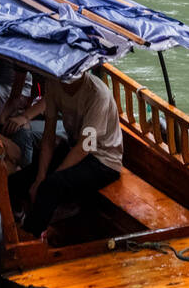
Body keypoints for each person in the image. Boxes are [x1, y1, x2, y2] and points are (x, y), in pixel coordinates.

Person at [8, 67, 123, 237]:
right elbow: (48, 136)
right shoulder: (54, 84)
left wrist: (47, 179)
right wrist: (40, 176)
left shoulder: (98, 94)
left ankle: (30, 237)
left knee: (50, 186)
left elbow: (86, 146)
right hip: (74, 147)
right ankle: (18, 219)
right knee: (16, 182)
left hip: (103, 160)